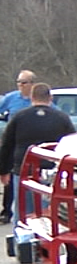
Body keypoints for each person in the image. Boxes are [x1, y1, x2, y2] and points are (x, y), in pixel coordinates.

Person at [0, 83, 75, 226]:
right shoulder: (62, 118)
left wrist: (3, 170)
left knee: (23, 215)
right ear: (50, 98)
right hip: (52, 172)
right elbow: (71, 145)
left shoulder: (19, 117)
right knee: (50, 214)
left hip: (24, 170)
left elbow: (7, 145)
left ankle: (23, 243)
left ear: (31, 97)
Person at [0, 70, 37, 224]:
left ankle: (32, 212)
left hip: (32, 144)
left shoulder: (36, 100)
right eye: (18, 82)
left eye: (24, 82)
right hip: (14, 142)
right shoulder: (11, 98)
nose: (20, 86)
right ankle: (7, 211)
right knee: (10, 178)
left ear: (32, 84)